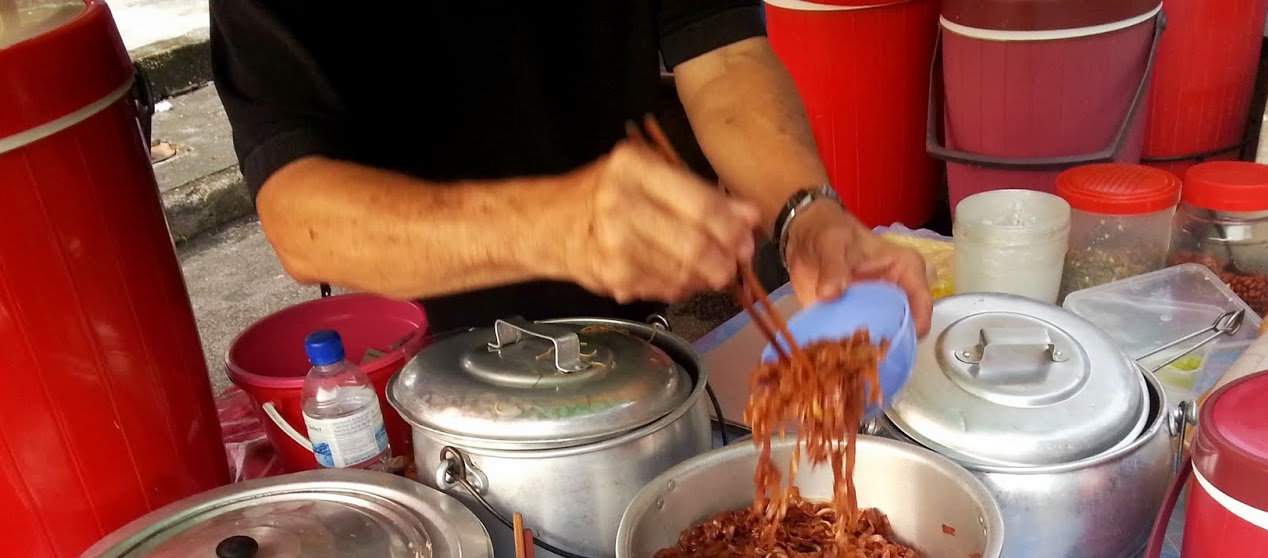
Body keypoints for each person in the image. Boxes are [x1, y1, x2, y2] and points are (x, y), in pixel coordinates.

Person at [208, 1, 934, 337]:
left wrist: (803, 211)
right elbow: (298, 214)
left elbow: (724, 58)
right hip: (416, 344)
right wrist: (555, 225)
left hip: (629, 333)